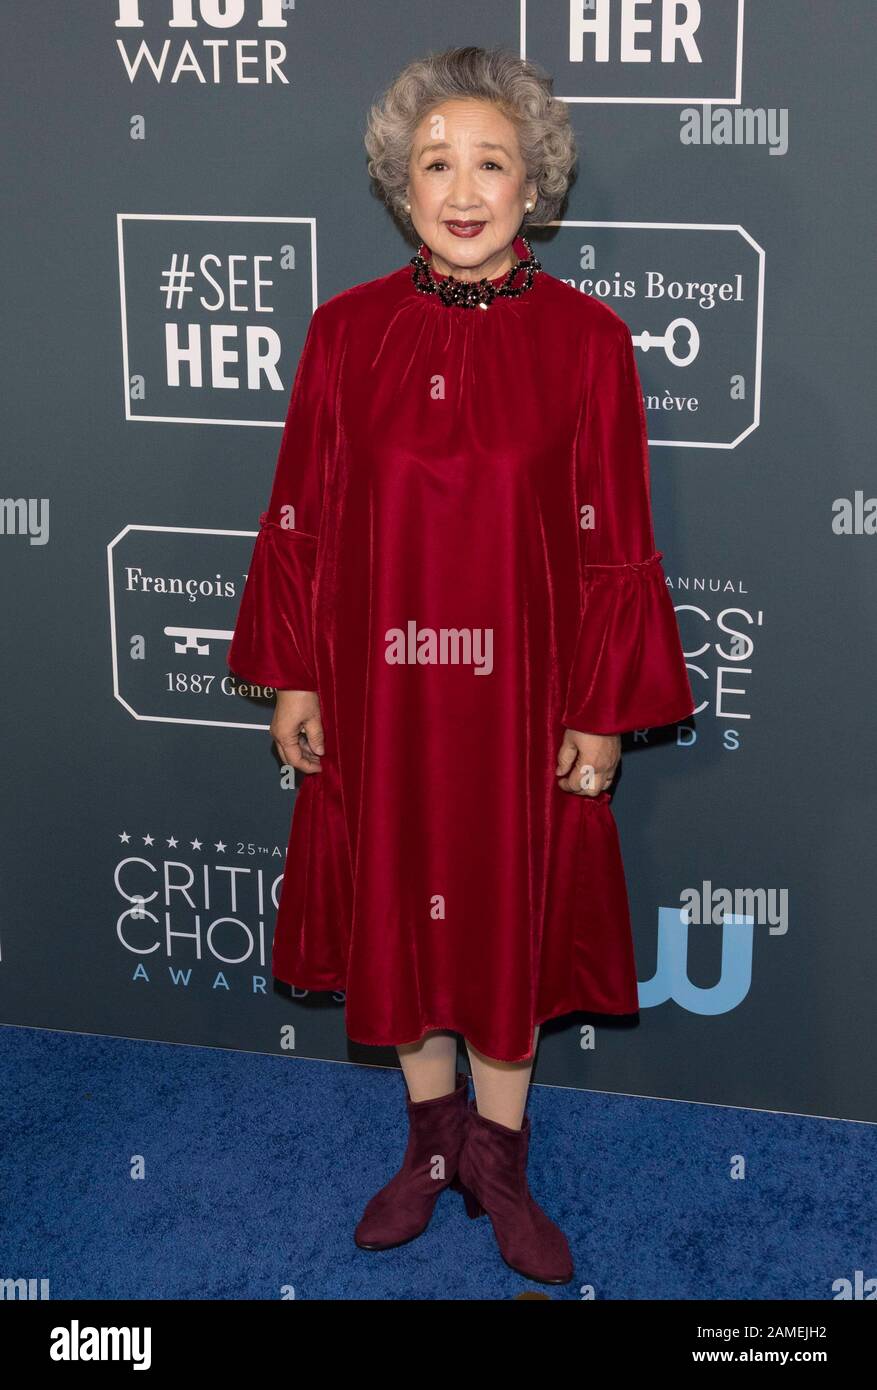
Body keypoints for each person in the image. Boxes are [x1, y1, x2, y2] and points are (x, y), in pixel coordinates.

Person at [227, 45, 695, 1286]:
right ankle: (429, 1147)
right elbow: (302, 517)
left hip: (525, 706)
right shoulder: (343, 333)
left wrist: (600, 714)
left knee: (503, 917)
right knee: (402, 905)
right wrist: (297, 676)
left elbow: (616, 541)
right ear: (400, 184)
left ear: (534, 181)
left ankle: (499, 1155)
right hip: (380, 696)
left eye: (492, 159)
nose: (463, 184)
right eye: (436, 161)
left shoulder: (589, 341)